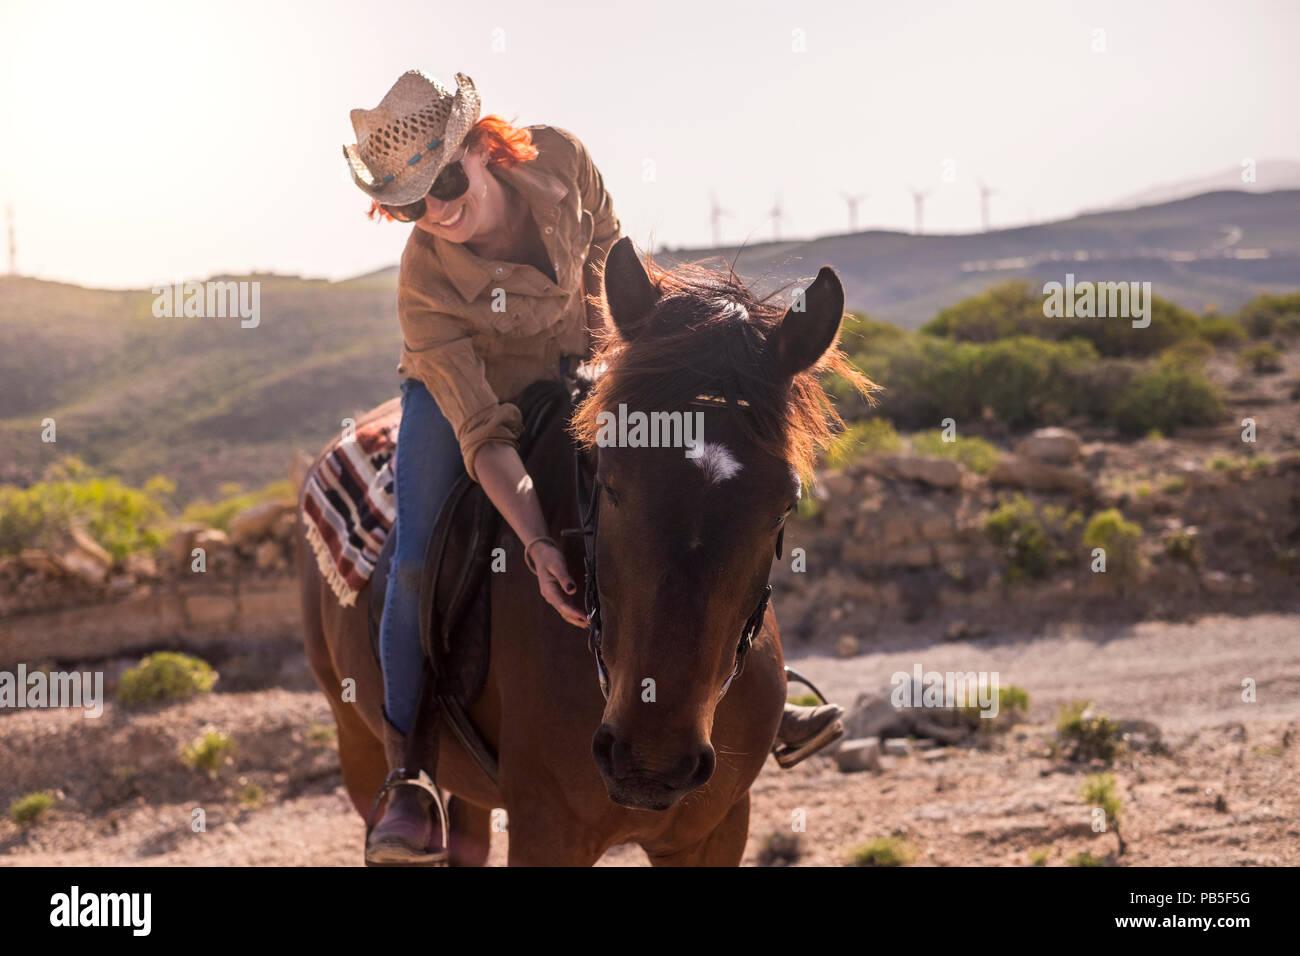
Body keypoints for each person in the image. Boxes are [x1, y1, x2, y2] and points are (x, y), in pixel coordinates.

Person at [341, 70, 842, 866]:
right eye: (408, 205)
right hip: (467, 399)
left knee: (682, 492)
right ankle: (409, 772)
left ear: (479, 144)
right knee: (412, 557)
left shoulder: (563, 162)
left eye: (441, 181)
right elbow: (485, 436)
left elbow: (618, 282)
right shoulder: (426, 277)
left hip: (577, 362)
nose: (435, 212)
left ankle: (745, 699)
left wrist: (652, 369)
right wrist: (539, 542)